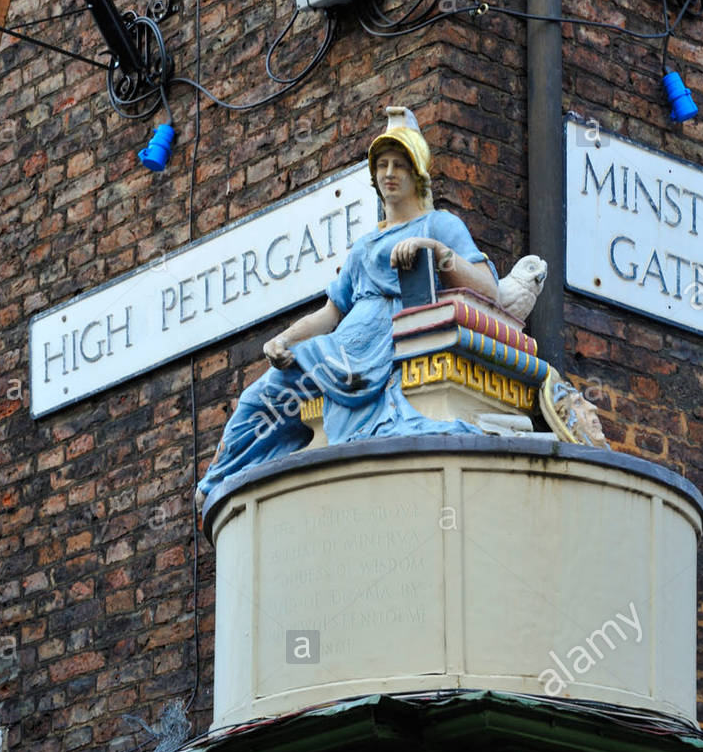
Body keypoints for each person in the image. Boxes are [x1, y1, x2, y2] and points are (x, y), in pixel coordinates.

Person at [196, 107, 499, 509]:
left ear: (417, 173)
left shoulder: (438, 226)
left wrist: (441, 255)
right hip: (340, 345)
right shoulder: (364, 247)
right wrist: (283, 339)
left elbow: (489, 290)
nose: (389, 173)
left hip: (386, 342)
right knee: (260, 396)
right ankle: (220, 484)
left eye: (400, 164)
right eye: (382, 165)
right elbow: (330, 312)